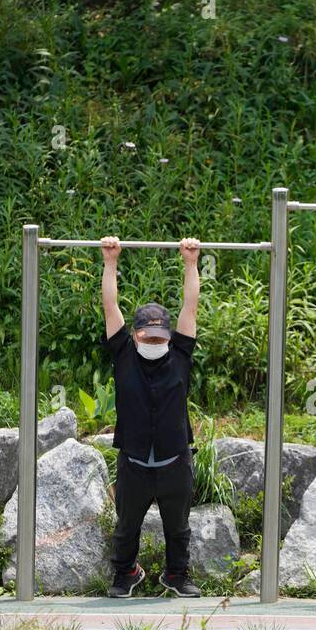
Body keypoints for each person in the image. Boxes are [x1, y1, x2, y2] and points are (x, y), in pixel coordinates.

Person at [100, 235, 202, 598]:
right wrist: (110, 262)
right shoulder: (124, 354)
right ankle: (125, 573)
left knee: (179, 526)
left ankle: (177, 575)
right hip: (135, 459)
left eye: (161, 338)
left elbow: (191, 305)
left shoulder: (181, 353)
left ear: (169, 337)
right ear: (136, 334)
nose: (156, 343)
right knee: (127, 526)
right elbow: (110, 305)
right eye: (149, 337)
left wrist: (191, 263)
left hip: (175, 458)